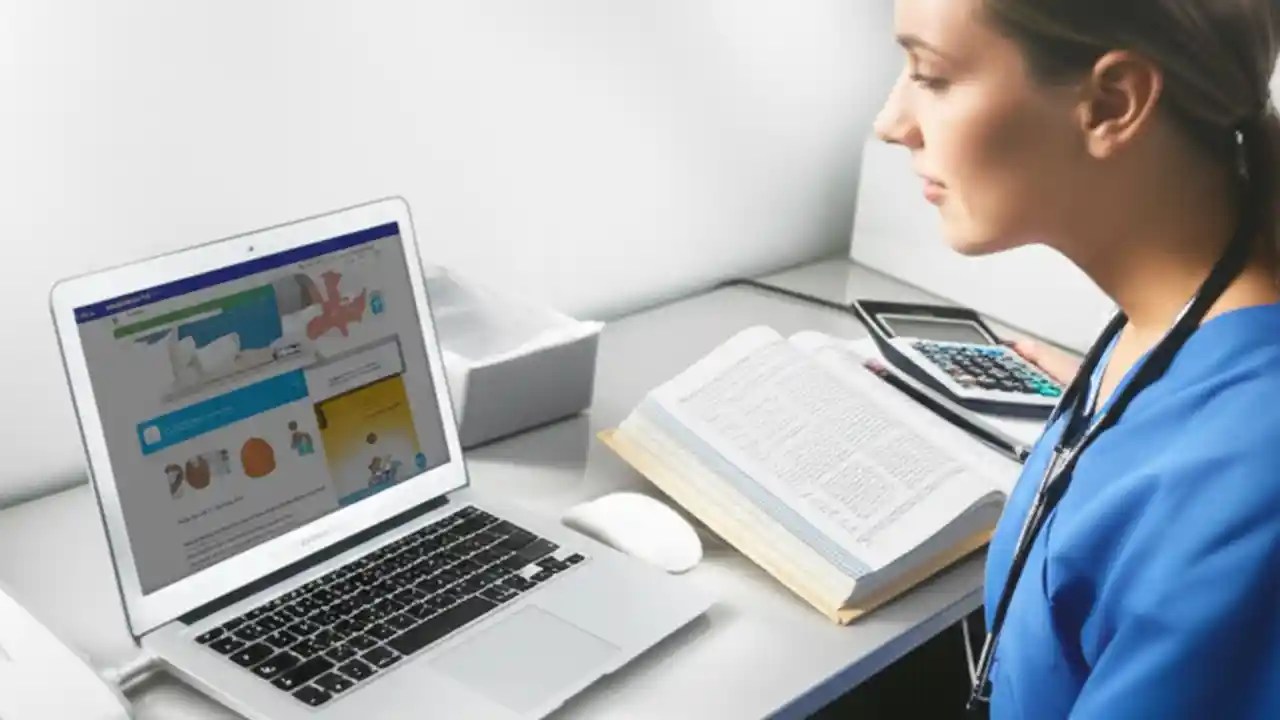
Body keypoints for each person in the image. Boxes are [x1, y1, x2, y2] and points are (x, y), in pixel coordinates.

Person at [870, 1, 1280, 718]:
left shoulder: (1242, 481)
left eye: (930, 75)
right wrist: (1131, 421)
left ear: (1110, 103)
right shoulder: (1163, 331)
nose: (892, 121)